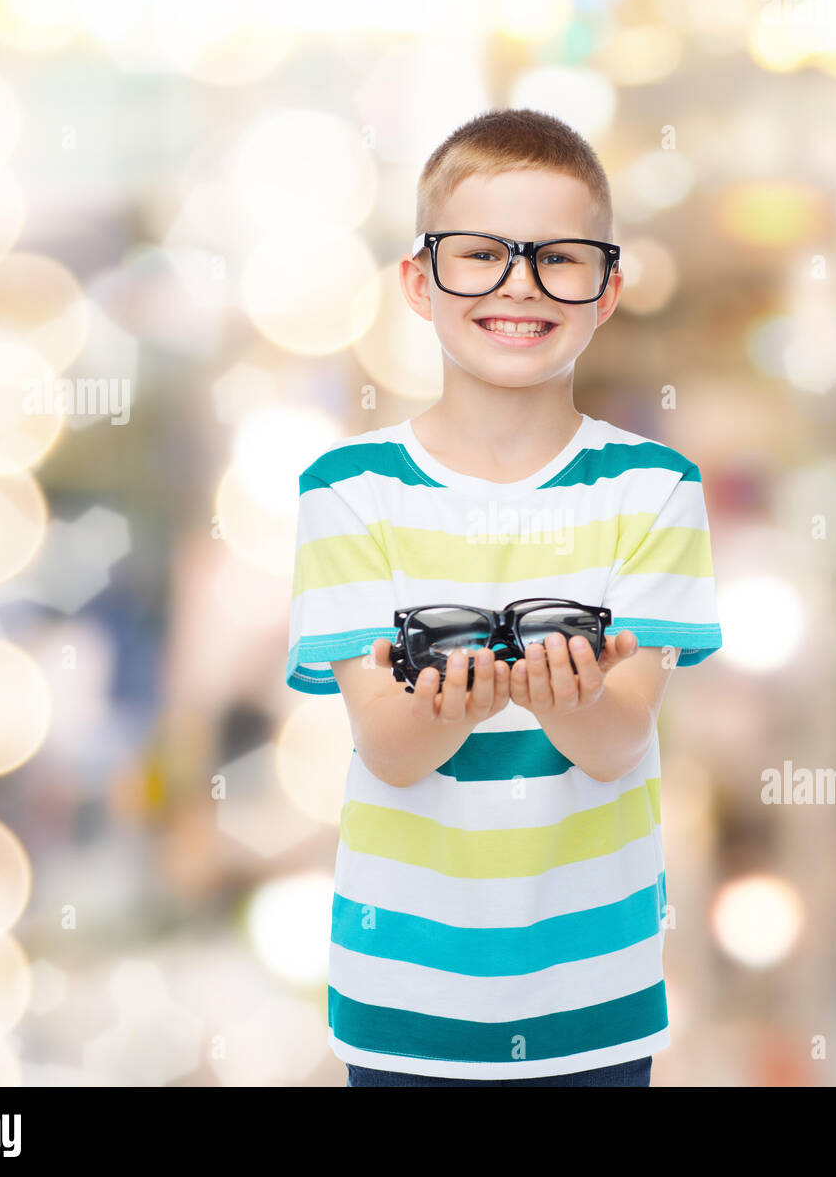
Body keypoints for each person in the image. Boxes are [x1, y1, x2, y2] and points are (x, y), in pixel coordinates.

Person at [287, 108, 723, 1087]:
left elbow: (617, 743)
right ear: (418, 280)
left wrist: (571, 703)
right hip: (404, 1004)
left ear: (606, 288)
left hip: (595, 1004)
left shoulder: (652, 488)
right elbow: (389, 752)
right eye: (479, 254)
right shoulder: (348, 491)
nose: (519, 285)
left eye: (558, 259)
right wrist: (461, 703)